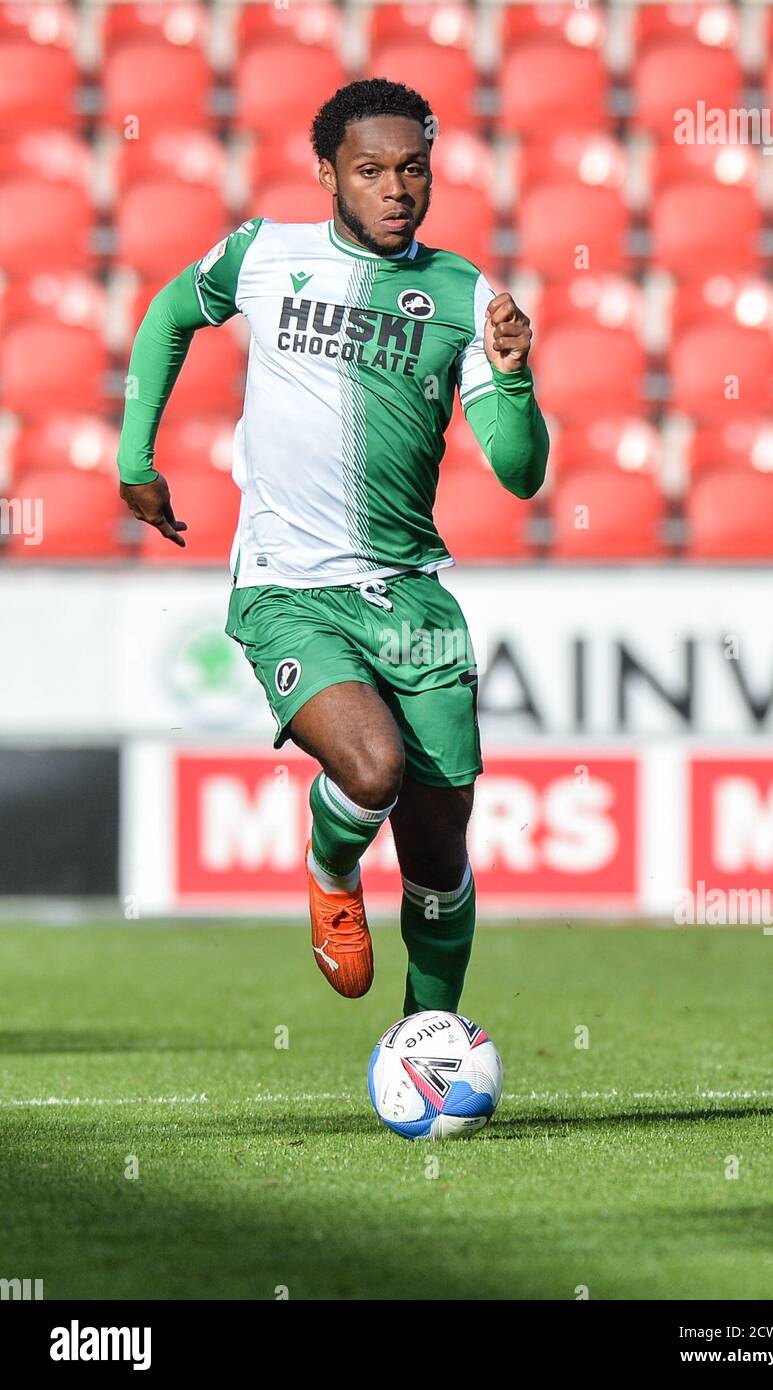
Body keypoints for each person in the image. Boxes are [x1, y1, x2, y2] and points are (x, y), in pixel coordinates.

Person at [117, 78, 549, 1015]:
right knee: (370, 769)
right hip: (288, 587)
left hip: (414, 598)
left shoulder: (464, 294)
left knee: (439, 850)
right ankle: (328, 866)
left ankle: (428, 1041)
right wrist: (134, 458)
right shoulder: (265, 254)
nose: (397, 188)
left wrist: (514, 379)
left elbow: (519, 473)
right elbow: (166, 317)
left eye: (413, 170)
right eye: (370, 170)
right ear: (326, 175)